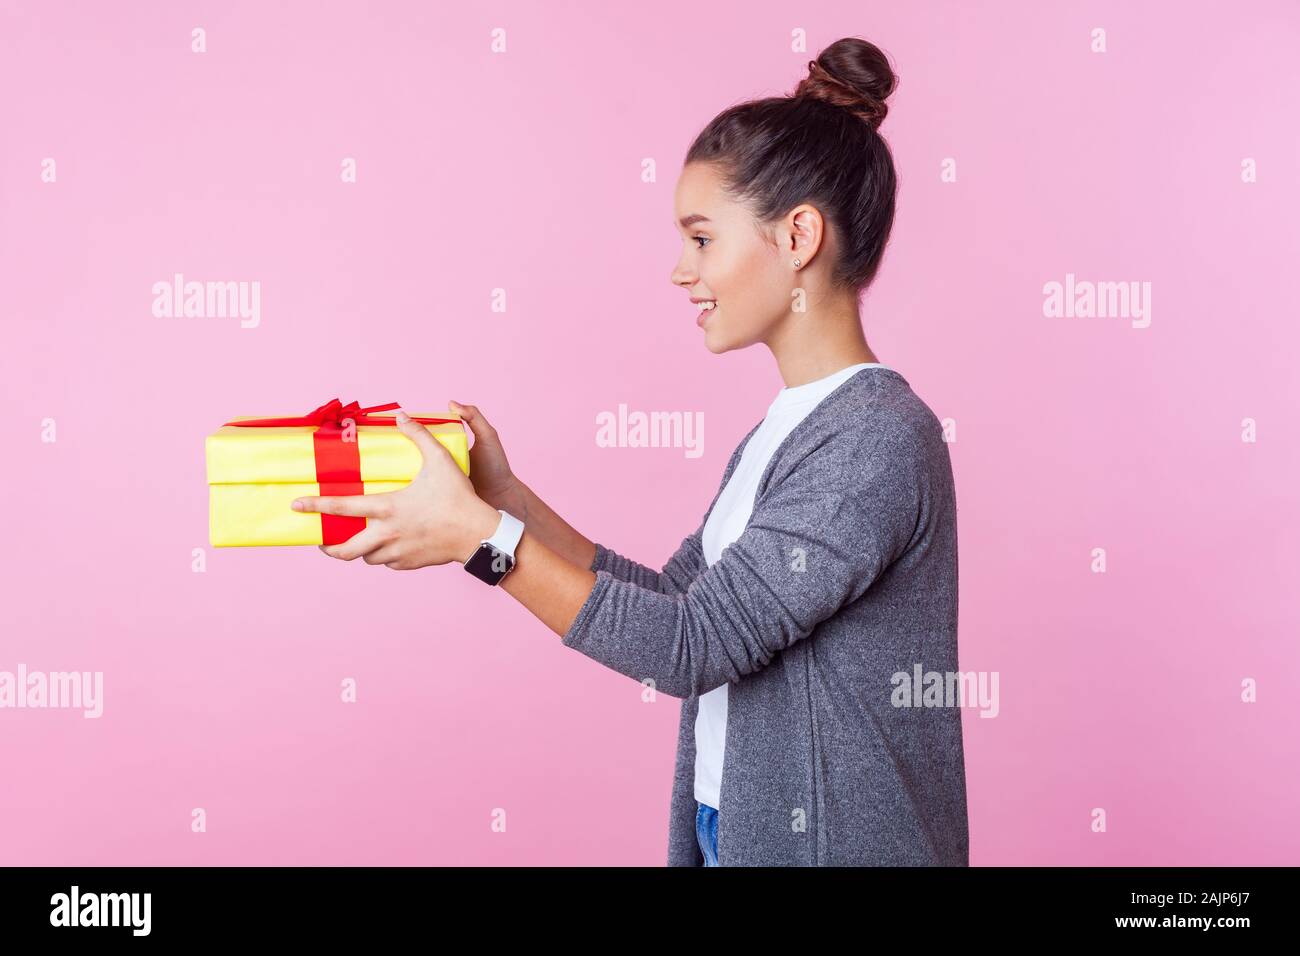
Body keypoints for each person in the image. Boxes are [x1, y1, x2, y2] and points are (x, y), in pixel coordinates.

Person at [292, 36, 968, 867]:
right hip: (738, 832)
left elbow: (689, 648)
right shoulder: (785, 432)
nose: (681, 272)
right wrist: (508, 504)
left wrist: (482, 544)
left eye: (702, 239)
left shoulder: (872, 440)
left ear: (797, 237)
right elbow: (674, 602)